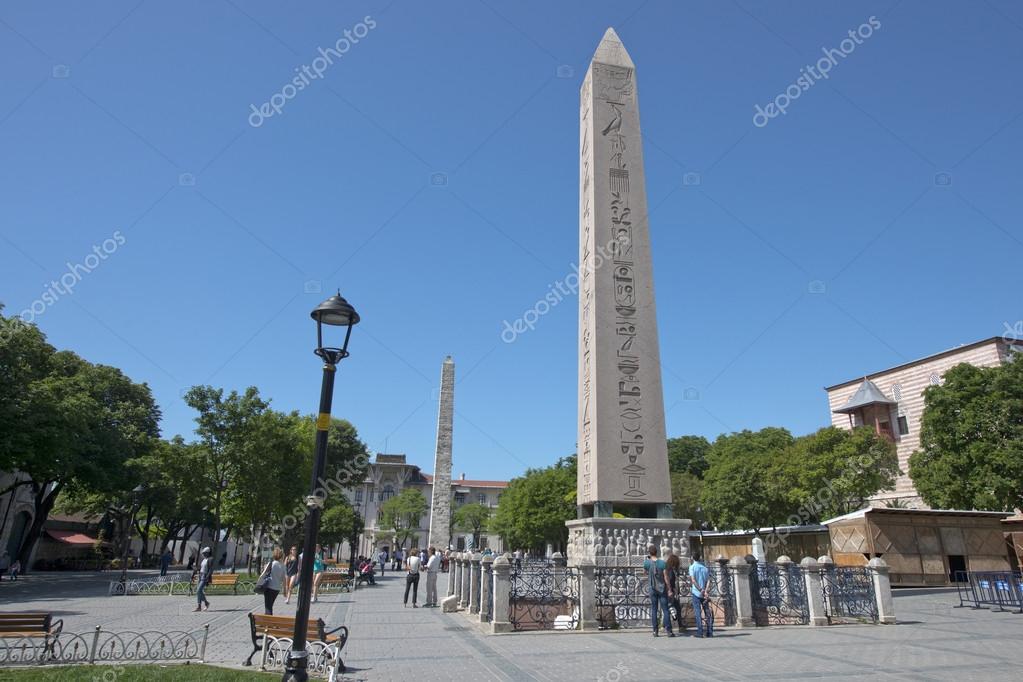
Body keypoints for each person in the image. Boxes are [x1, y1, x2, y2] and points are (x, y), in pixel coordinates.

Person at [643, 545, 673, 637]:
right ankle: (668, 631)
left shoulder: (647, 563)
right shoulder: (662, 563)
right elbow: (666, 577)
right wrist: (669, 589)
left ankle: (655, 631)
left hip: (652, 587)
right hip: (662, 588)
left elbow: (645, 573)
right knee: (665, 609)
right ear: (657, 552)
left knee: (654, 609)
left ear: (649, 553)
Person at [689, 552, 713, 638]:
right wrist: (705, 590)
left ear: (692, 558)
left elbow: (693, 580)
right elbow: (709, 580)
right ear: (699, 558)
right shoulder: (704, 568)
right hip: (704, 594)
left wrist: (700, 590)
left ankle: (700, 632)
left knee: (697, 612)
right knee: (707, 611)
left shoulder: (692, 567)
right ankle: (710, 632)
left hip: (696, 592)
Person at [260, 548, 287, 615]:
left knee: (268, 607)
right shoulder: (283, 566)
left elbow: (262, 575)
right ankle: (268, 622)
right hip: (277, 589)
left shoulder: (271, 564)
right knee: (270, 605)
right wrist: (284, 590)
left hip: (269, 588)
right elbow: (284, 579)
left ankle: (269, 623)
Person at [665, 553, 685, 633]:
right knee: (672, 607)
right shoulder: (670, 571)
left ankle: (678, 624)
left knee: (672, 607)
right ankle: (678, 624)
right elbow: (670, 581)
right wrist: (671, 590)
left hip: (671, 591)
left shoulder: (671, 570)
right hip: (670, 591)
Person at [193, 547, 212, 612]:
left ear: (208, 553)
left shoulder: (210, 559)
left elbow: (210, 569)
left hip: (205, 576)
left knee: (198, 590)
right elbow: (201, 568)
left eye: (204, 553)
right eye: (203, 553)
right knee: (199, 592)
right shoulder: (204, 560)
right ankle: (199, 606)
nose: (203, 554)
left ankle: (206, 603)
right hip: (201, 575)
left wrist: (207, 578)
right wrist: (196, 569)